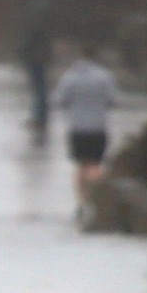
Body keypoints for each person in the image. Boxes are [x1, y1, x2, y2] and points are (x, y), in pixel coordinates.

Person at [50, 47, 117, 212]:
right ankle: (96, 199)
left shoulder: (70, 77)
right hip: (98, 127)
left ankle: (81, 201)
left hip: (77, 128)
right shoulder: (104, 76)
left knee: (80, 166)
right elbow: (112, 100)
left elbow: (58, 100)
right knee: (95, 164)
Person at [14, 0, 54, 138]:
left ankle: (40, 117)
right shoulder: (41, 5)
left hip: (35, 53)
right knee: (39, 85)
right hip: (41, 51)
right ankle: (39, 116)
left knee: (38, 86)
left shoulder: (33, 8)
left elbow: (31, 31)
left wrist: (22, 48)